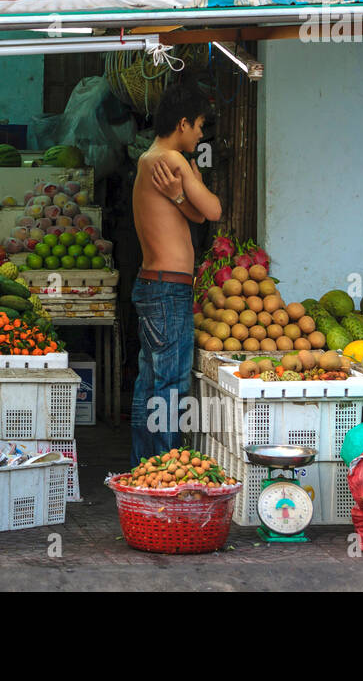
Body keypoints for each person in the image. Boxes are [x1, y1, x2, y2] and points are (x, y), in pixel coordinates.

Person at [130, 83, 222, 462]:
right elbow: (214, 210)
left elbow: (196, 213)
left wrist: (182, 195)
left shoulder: (149, 158)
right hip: (168, 291)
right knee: (170, 386)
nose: (201, 135)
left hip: (156, 287)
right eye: (199, 126)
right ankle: (167, 467)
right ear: (183, 123)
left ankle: (143, 467)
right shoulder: (173, 161)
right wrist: (191, 181)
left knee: (150, 382)